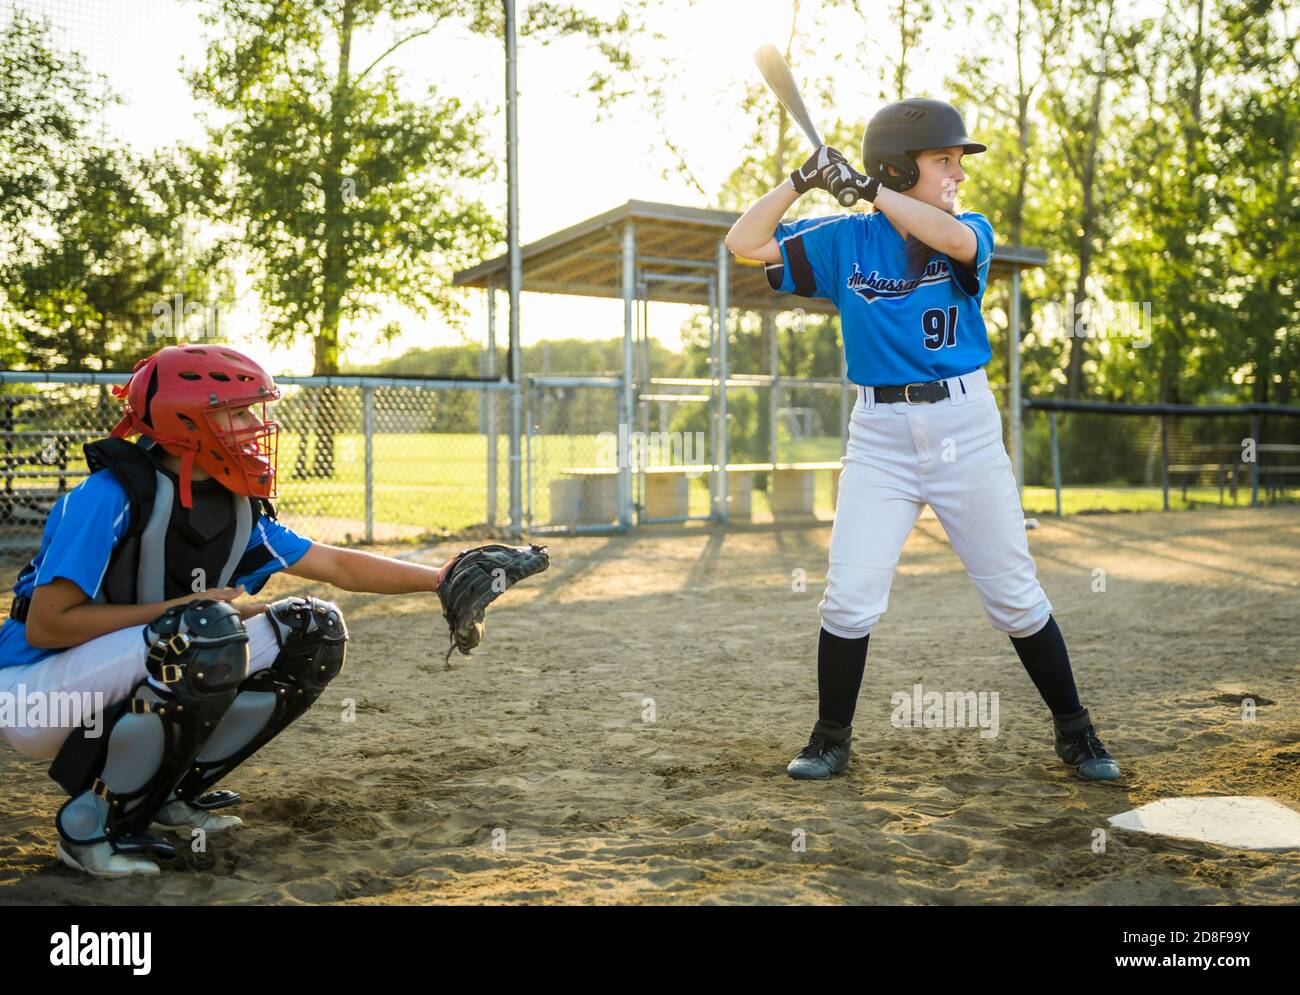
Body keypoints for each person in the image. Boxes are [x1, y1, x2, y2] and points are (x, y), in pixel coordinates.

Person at [0, 344, 545, 877]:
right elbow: (49, 624)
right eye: (234, 413)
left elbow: (337, 565)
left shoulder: (233, 502)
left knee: (314, 629)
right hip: (33, 692)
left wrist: (440, 579)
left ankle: (153, 796)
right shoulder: (108, 496)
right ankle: (88, 824)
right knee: (202, 633)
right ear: (185, 422)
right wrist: (180, 608)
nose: (253, 425)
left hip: (117, 665)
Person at [724, 98, 1120, 783]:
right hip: (878, 434)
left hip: (963, 428)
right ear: (901, 167)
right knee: (848, 596)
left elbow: (958, 245)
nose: (957, 173)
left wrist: (872, 188)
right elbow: (744, 242)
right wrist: (803, 179)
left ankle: (1076, 730)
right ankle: (829, 737)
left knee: (1016, 598)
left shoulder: (967, 228)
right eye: (943, 161)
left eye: (956, 161)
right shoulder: (844, 239)